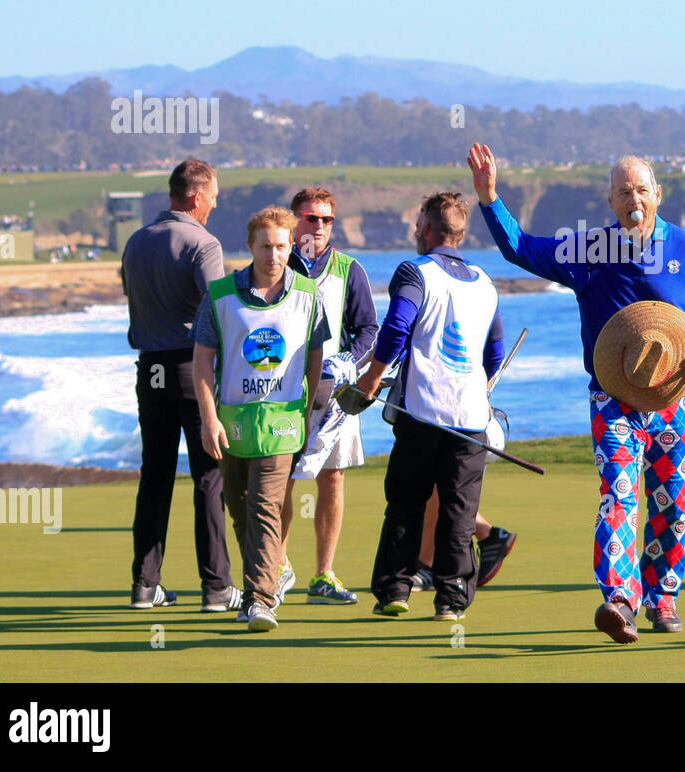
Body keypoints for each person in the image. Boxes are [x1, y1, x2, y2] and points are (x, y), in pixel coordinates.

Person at [467, 142, 685, 642]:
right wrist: (490, 199)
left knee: (671, 502)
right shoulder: (585, 251)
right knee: (618, 496)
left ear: (658, 194)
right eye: (622, 192)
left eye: (641, 190)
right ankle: (619, 599)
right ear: (610, 202)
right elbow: (520, 248)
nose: (633, 199)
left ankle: (663, 598)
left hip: (675, 400)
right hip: (611, 400)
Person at [355, 192, 504, 622]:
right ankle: (452, 599)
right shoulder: (486, 282)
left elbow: (397, 327)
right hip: (471, 422)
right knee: (459, 511)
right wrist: (484, 392)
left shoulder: (413, 271)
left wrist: (370, 378)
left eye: (418, 223)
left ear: (426, 229)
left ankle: (395, 590)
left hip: (421, 415)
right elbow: (493, 352)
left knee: (406, 503)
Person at [191, 206, 327, 630]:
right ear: (250, 246)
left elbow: (316, 355)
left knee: (266, 507)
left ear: (291, 246)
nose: (274, 255)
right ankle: (274, 571)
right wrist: (208, 418)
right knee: (239, 507)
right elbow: (201, 362)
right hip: (232, 424)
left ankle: (259, 600)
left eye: (282, 246)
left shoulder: (307, 294)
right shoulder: (220, 295)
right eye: (266, 246)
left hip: (282, 423)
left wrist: (307, 412)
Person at [121, 158, 237, 613]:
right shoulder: (203, 243)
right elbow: (220, 312)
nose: (214, 203)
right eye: (212, 196)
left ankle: (145, 587)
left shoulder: (135, 241)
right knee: (209, 475)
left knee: (155, 476)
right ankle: (217, 588)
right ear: (195, 196)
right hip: (192, 369)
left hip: (149, 369)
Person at [277, 187, 379, 606]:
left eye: (325, 220)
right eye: (310, 218)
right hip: (282, 393)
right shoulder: (276, 263)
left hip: (338, 394)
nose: (317, 226)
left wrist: (348, 363)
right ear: (294, 220)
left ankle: (323, 575)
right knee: (278, 476)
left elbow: (370, 330)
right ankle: (278, 567)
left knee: (332, 478)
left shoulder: (350, 269)